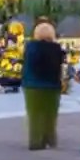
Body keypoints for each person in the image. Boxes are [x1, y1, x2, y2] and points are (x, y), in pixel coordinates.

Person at [22, 21, 65, 150]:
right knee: (50, 114)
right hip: (52, 85)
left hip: (32, 85)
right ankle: (50, 139)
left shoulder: (30, 47)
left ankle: (36, 141)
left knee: (35, 114)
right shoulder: (57, 49)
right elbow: (60, 67)